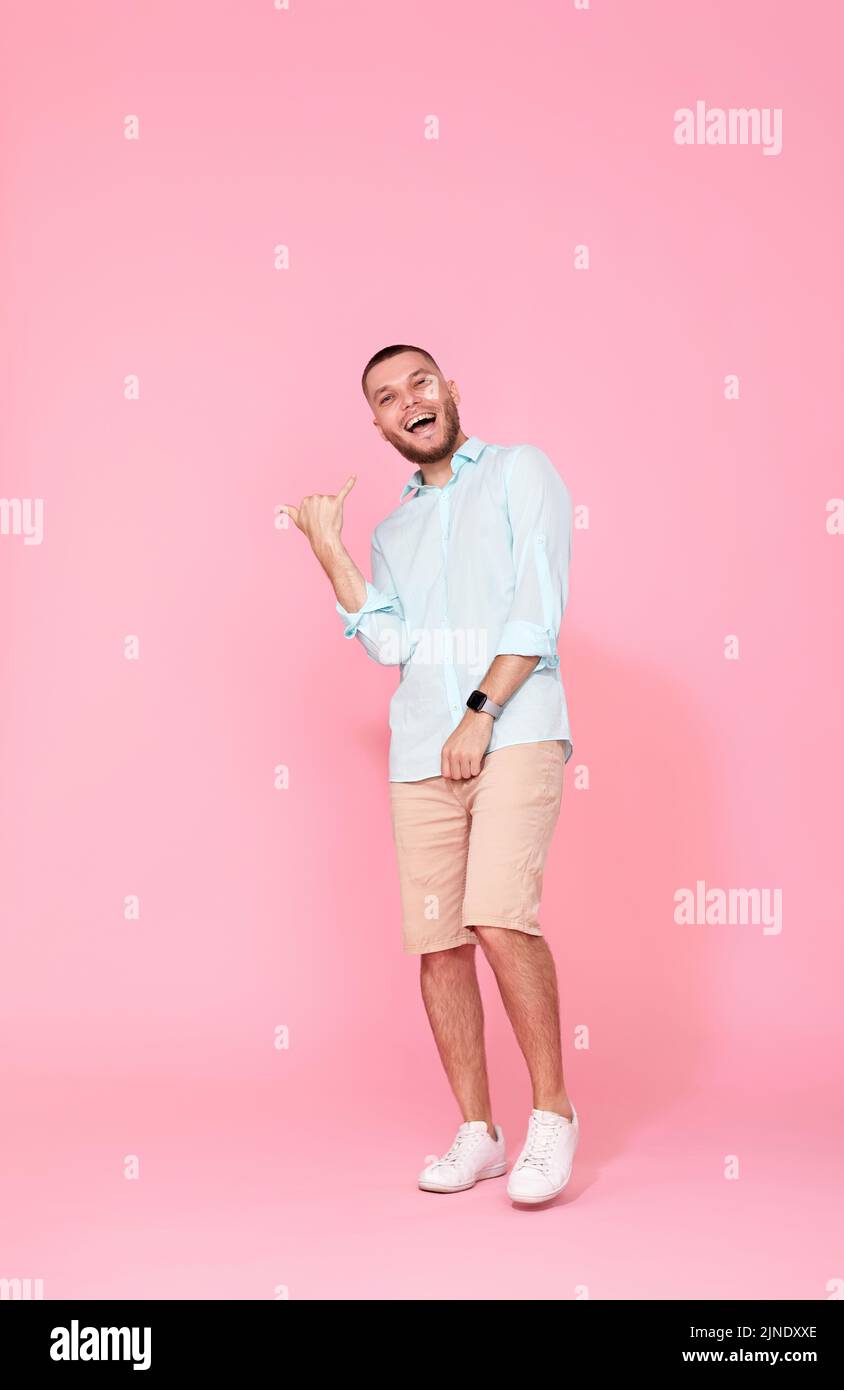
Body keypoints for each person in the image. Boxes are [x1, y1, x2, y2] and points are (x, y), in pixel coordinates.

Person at [282, 345, 579, 1205]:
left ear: (450, 390)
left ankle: (551, 1117)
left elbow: (538, 604)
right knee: (437, 944)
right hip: (421, 752)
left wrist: (479, 712)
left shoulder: (521, 473)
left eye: (418, 381)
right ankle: (478, 1132)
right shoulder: (393, 531)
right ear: (379, 426)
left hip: (514, 726)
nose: (407, 399)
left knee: (497, 917)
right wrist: (330, 550)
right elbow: (389, 644)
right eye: (386, 397)